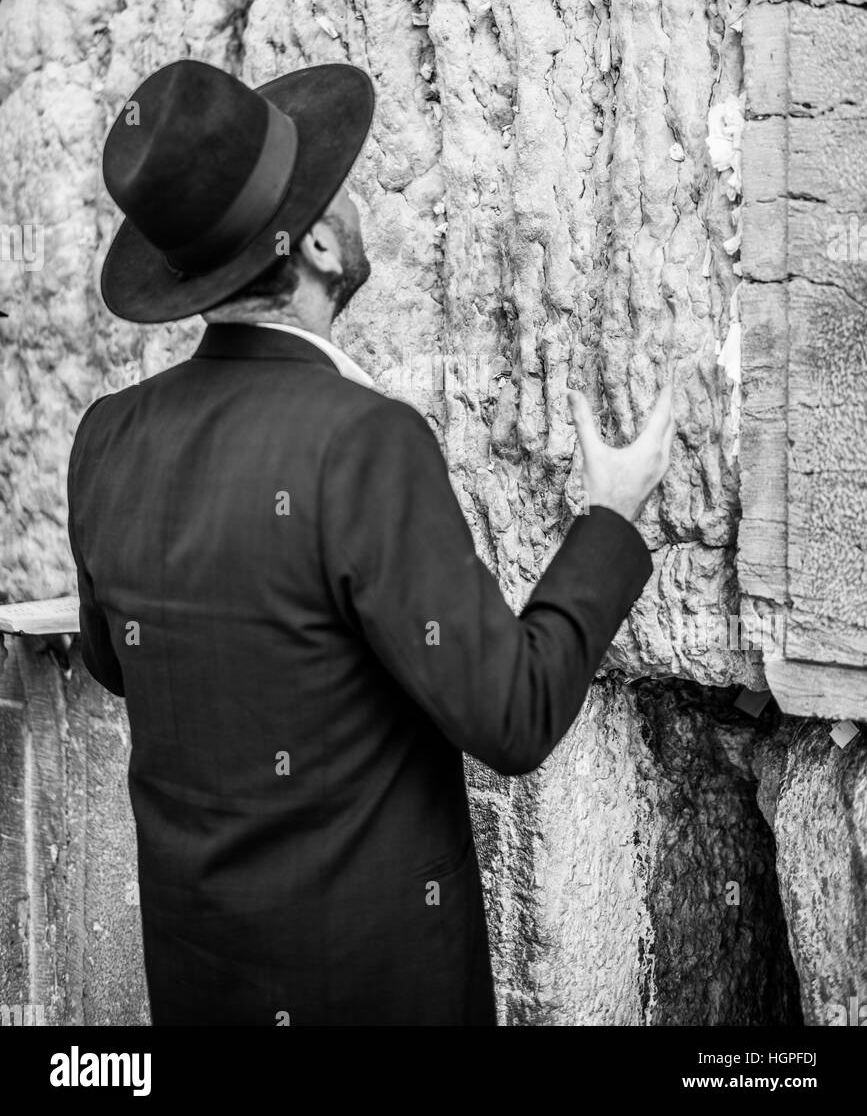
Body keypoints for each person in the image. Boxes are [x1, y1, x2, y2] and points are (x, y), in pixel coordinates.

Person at [67, 58, 673, 1026]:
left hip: (200, 967)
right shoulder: (361, 437)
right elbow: (511, 716)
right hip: (368, 978)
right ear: (313, 243)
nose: (351, 202)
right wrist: (611, 519)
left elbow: (114, 657)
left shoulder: (110, 430)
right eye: (330, 189)